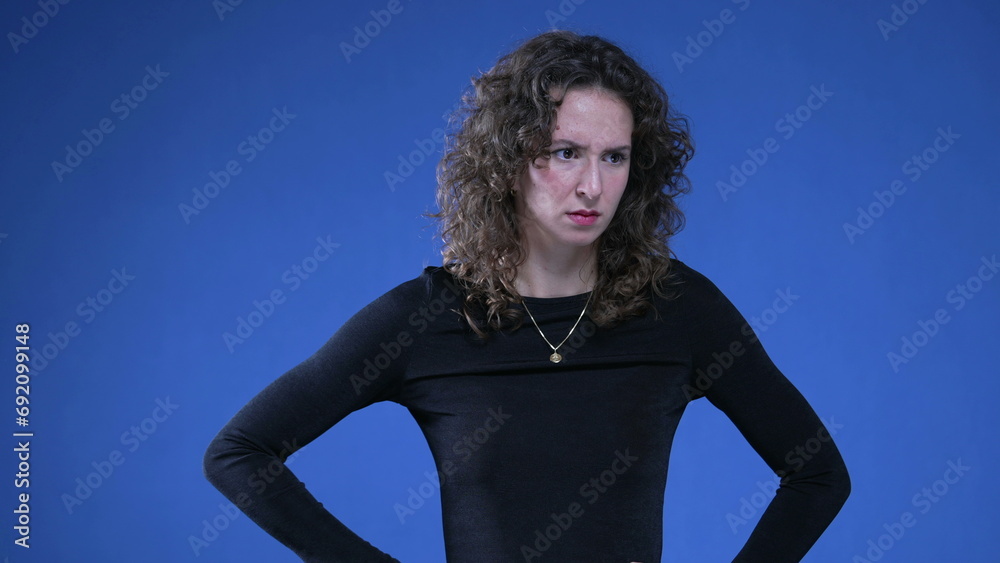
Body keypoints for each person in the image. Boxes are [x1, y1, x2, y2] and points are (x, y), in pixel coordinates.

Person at [203, 30, 851, 562]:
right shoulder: (425, 319)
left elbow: (818, 474)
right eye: (565, 152)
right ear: (508, 159)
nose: (592, 185)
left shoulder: (680, 309)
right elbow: (239, 453)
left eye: (615, 157)